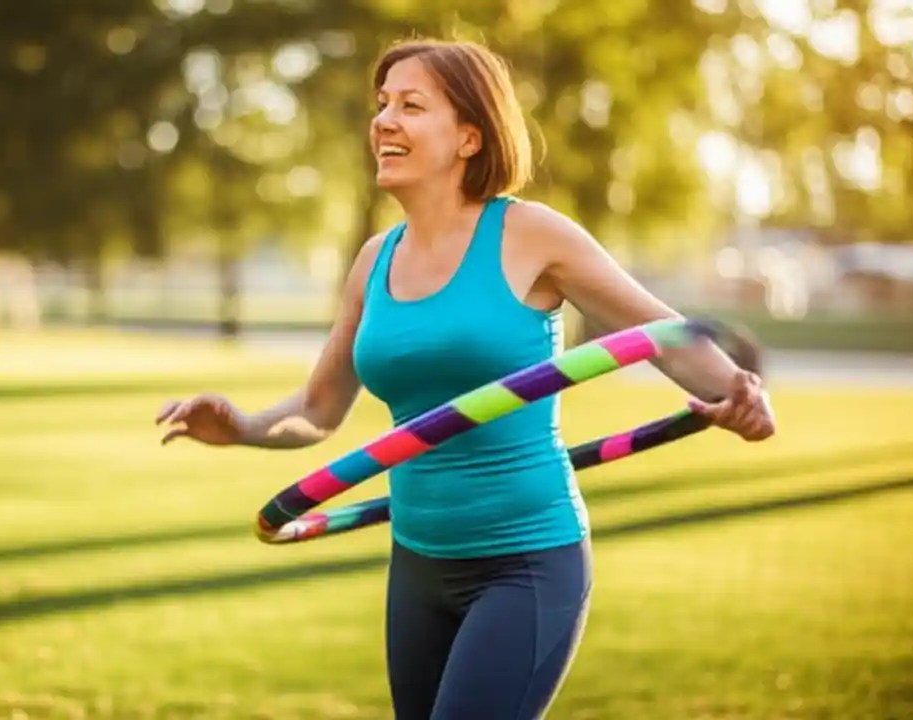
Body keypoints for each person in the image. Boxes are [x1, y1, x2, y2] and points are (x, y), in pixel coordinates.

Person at [155, 37, 775, 720]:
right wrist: (239, 427)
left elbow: (662, 335)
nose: (384, 120)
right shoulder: (373, 261)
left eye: (411, 105)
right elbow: (318, 408)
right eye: (382, 103)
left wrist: (735, 393)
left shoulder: (532, 235)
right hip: (418, 566)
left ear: (469, 138)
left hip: (527, 563)